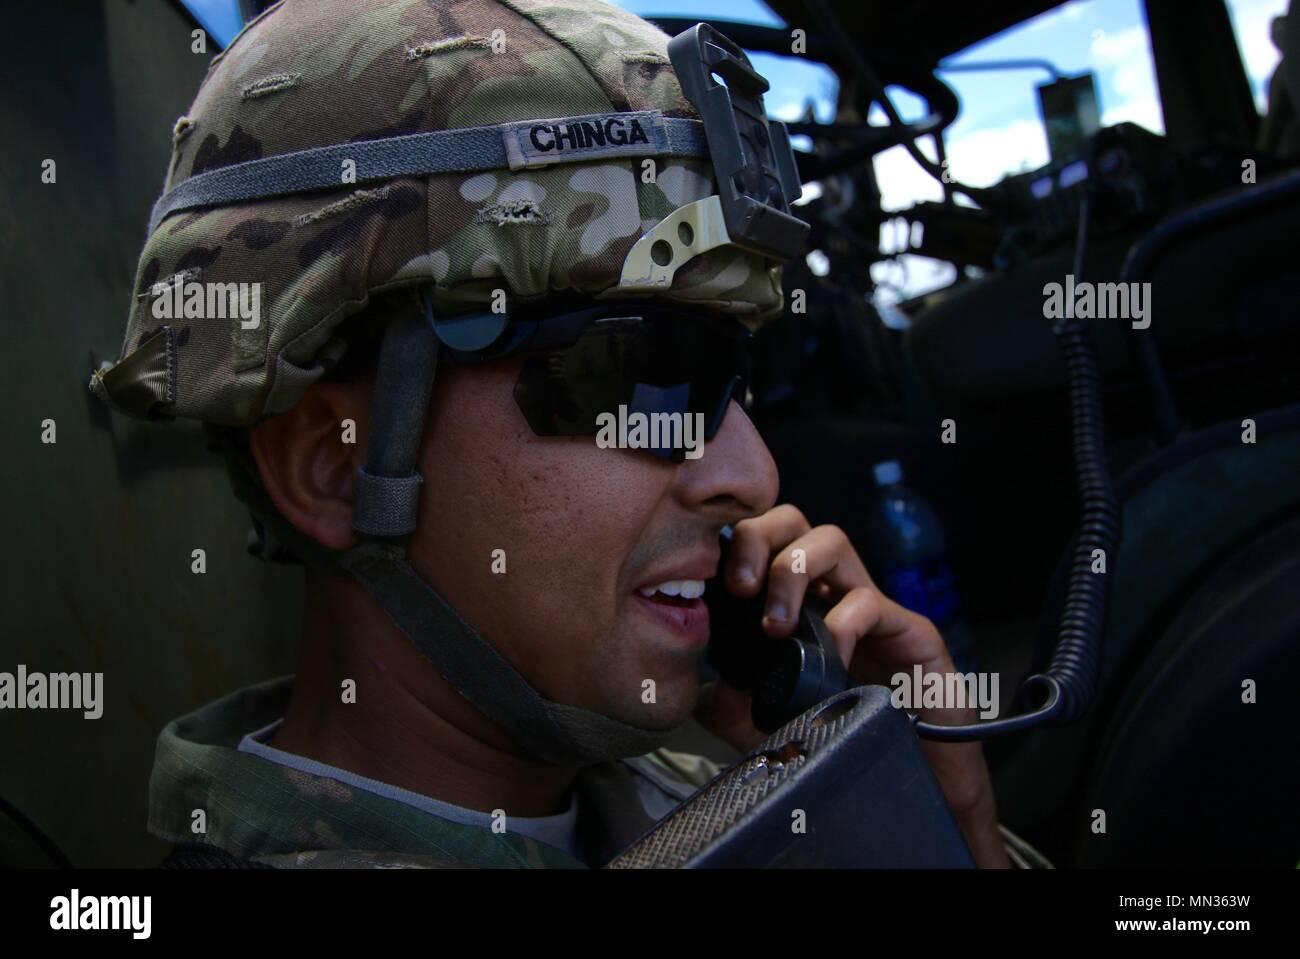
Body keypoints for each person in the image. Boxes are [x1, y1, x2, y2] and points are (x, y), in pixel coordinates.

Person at [93, 0, 1012, 868]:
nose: (753, 473)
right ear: (333, 467)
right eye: (648, 371)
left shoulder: (746, 791)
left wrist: (925, 817)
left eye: (737, 382)